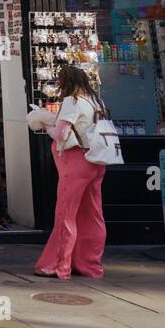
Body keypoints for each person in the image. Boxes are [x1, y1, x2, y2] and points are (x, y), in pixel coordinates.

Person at [34, 65, 108, 280]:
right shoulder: (96, 101)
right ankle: (90, 264)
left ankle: (59, 265)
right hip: (96, 160)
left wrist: (43, 123)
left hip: (75, 162)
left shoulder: (71, 101)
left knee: (66, 214)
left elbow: (61, 133)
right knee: (93, 214)